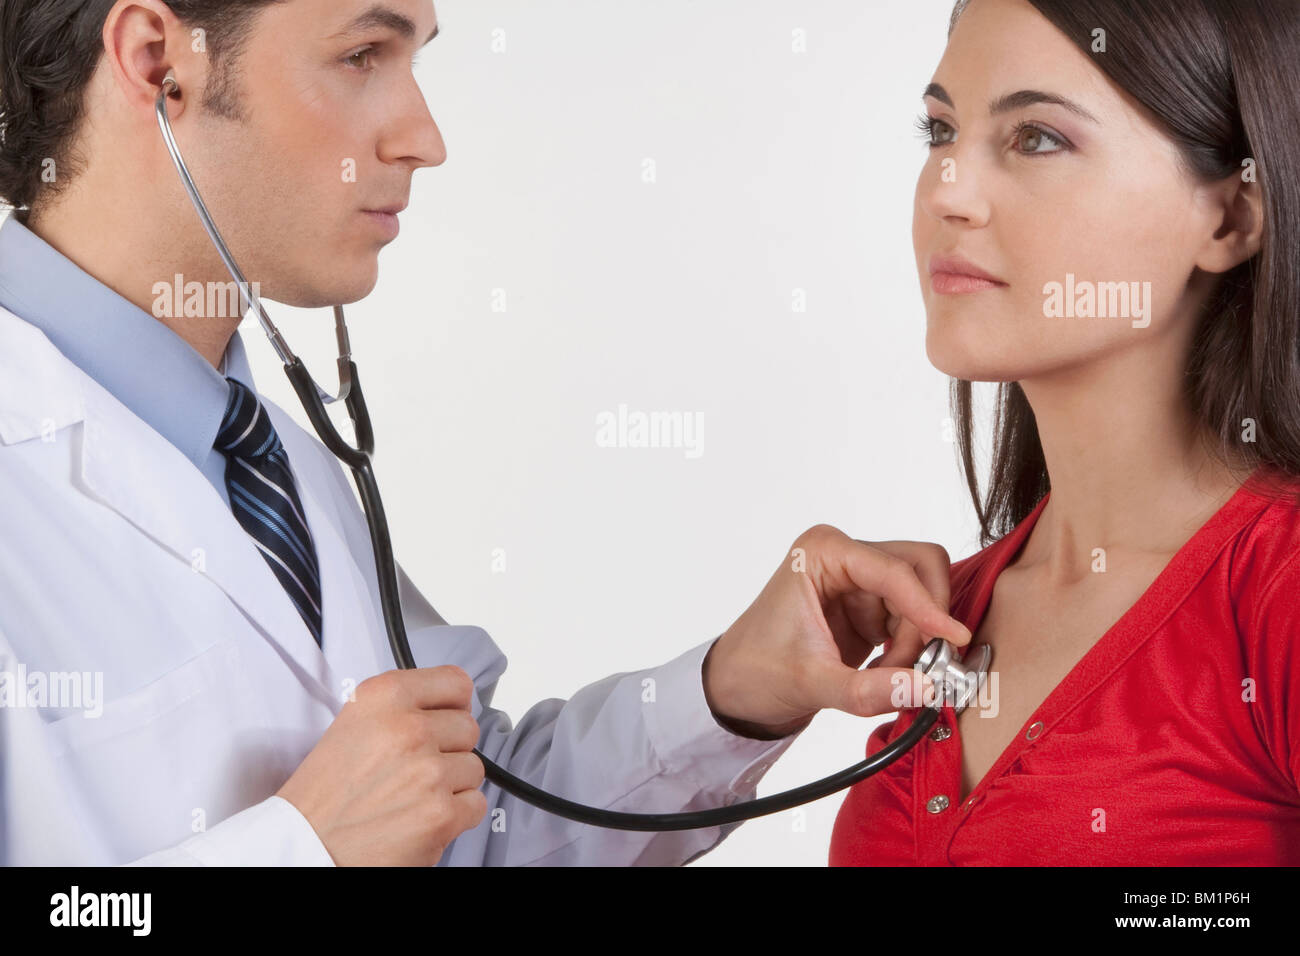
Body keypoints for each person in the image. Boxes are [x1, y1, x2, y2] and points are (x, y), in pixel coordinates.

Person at [0, 0, 971, 866]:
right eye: (362, 55)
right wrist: (303, 848)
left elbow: (470, 816)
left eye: (413, 59)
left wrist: (734, 689)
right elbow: (350, 829)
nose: (425, 137)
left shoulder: (272, 462)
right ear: (159, 58)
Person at [830, 0, 1300, 866]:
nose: (947, 192)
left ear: (1230, 219)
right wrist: (730, 696)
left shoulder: (1278, 596)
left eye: (1037, 137)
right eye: (939, 131)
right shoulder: (942, 617)